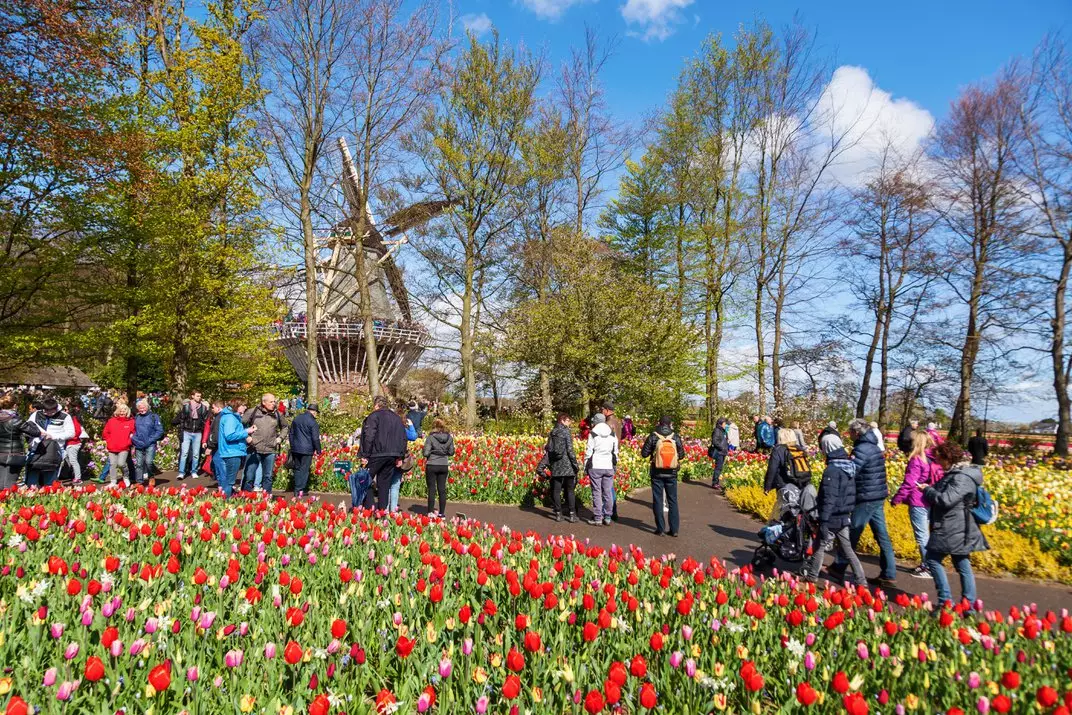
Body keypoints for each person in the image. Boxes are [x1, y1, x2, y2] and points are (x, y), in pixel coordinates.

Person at [829, 418, 897, 587]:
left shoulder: (861, 449)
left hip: (866, 497)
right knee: (882, 534)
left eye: (851, 432)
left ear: (857, 433)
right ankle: (889, 573)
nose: (849, 435)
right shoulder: (874, 446)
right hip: (878, 495)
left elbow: (852, 471)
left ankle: (838, 567)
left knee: (852, 532)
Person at [921, 439, 990, 605]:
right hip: (957, 525)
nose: (937, 462)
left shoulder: (962, 477)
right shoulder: (958, 474)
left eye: (939, 459)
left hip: (953, 525)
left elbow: (946, 500)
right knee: (962, 564)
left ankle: (946, 601)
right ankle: (968, 605)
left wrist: (927, 490)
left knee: (932, 559)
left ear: (948, 458)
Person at [799, 434, 867, 586]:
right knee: (847, 550)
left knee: (818, 546)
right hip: (843, 515)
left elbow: (829, 497)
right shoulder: (848, 466)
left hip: (832, 516)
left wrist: (823, 519)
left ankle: (811, 576)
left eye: (822, 448)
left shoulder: (832, 470)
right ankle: (861, 581)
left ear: (827, 448)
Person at [891, 431, 940, 577]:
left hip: (918, 500)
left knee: (922, 536)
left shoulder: (917, 460)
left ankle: (928, 567)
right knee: (927, 534)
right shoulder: (932, 459)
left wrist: (897, 498)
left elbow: (910, 482)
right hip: (929, 499)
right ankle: (929, 564)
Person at [358, 395, 407, 511]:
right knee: (384, 484)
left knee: (365, 479)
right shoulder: (396, 418)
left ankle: (369, 507)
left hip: (376, 453)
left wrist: (365, 454)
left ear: (376, 405)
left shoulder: (373, 416)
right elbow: (403, 438)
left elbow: (369, 436)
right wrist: (400, 456)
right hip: (392, 455)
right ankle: (382, 511)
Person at [641, 415, 686, 537]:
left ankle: (660, 528)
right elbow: (681, 455)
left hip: (657, 472)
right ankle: (674, 529)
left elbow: (644, 454)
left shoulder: (653, 435)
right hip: (671, 473)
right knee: (672, 500)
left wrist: (653, 453)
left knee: (658, 500)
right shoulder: (675, 436)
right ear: (670, 423)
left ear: (659, 423)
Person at [242, 393, 286, 496]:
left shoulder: (277, 414)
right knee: (249, 475)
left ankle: (267, 499)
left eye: (274, 401)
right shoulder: (252, 412)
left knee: (268, 476)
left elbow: (285, 427)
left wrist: (280, 438)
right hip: (254, 447)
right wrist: (246, 436)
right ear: (263, 402)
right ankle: (245, 497)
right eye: (271, 402)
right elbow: (240, 424)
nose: (273, 404)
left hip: (270, 448)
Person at [763, 428, 811, 523]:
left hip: (784, 484)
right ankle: (797, 531)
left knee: (784, 510)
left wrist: (767, 487)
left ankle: (784, 532)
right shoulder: (799, 449)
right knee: (797, 509)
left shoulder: (778, 449)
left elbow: (772, 469)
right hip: (801, 483)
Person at [26, 397, 74, 488]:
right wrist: (38, 433)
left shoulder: (65, 416)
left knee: (50, 477)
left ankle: (48, 494)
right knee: (33, 474)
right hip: (37, 448)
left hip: (55, 449)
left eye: (51, 411)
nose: (48, 413)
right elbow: (29, 426)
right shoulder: (36, 414)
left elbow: (71, 433)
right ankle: (30, 493)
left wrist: (53, 436)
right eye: (46, 411)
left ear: (56, 409)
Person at [0, 393, 41, 489]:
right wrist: (31, 423)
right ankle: (7, 502)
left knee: (1, 482)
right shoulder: (16, 420)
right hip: (14, 454)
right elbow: (35, 432)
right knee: (9, 484)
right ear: (14, 406)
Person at [215, 398, 256, 497]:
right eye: (244, 405)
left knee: (227, 480)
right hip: (232, 451)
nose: (245, 407)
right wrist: (247, 431)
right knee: (229, 482)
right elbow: (230, 435)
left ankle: (224, 501)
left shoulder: (229, 416)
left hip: (229, 451)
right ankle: (226, 502)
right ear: (237, 406)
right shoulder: (230, 418)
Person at [543, 413, 579, 523]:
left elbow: (548, 448)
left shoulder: (552, 432)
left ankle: (558, 514)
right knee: (570, 490)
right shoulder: (566, 432)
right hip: (567, 464)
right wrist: (575, 464)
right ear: (562, 421)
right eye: (568, 421)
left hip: (556, 465)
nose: (570, 423)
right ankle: (572, 515)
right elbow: (570, 450)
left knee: (556, 490)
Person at [585, 414, 619, 526]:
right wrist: (614, 465)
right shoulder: (612, 433)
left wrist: (586, 465)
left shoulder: (593, 433)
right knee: (608, 492)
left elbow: (589, 451)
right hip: (608, 465)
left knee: (597, 492)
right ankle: (608, 516)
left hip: (596, 465)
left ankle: (598, 517)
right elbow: (615, 452)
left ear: (595, 421)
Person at [287, 404, 322, 497]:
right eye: (316, 413)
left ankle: (296, 489)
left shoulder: (297, 418)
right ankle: (300, 489)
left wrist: (292, 445)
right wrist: (319, 450)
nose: (316, 415)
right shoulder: (313, 422)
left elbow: (291, 433)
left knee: (297, 469)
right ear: (313, 412)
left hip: (295, 448)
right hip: (307, 449)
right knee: (304, 469)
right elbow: (315, 439)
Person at [422, 418, 454, 517]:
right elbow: (451, 452)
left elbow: (426, 453)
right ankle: (441, 513)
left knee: (432, 489)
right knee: (442, 489)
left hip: (432, 464)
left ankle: (430, 512)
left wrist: (431, 452)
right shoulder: (449, 438)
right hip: (444, 464)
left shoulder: (430, 438)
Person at [176, 391, 209, 481]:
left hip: (197, 432)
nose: (199, 397)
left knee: (195, 454)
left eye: (200, 396)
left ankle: (194, 471)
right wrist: (181, 432)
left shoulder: (203, 408)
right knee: (184, 453)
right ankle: (181, 472)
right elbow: (182, 419)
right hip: (187, 431)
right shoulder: (187, 406)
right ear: (192, 396)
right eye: (197, 396)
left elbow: (205, 421)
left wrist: (202, 429)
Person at [101, 403, 136, 487]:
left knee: (121, 463)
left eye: (124, 410)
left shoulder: (131, 421)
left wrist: (129, 441)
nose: (122, 412)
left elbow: (134, 433)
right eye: (120, 410)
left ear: (127, 412)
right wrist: (109, 441)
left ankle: (126, 477)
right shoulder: (111, 421)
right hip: (112, 446)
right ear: (117, 411)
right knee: (112, 464)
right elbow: (105, 433)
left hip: (124, 447)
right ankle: (113, 481)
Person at [131, 399, 163, 487]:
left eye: (143, 407)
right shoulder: (137, 417)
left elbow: (159, 431)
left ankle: (151, 476)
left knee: (149, 462)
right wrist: (134, 439)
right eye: (140, 408)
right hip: (139, 444)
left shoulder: (154, 416)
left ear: (147, 407)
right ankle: (139, 481)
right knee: (139, 464)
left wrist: (151, 440)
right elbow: (134, 430)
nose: (142, 409)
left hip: (150, 443)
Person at [600, 401, 623, 522]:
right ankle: (613, 510)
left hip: (607, 457)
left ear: (607, 410)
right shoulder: (618, 422)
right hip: (615, 455)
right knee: (610, 485)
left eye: (602, 410)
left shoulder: (608, 424)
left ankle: (609, 511)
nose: (601, 412)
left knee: (607, 487)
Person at [63, 409, 88, 485]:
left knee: (73, 461)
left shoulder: (73, 420)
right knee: (67, 460)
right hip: (70, 443)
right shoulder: (71, 420)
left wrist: (68, 437)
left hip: (73, 443)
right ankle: (70, 475)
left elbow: (77, 432)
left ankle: (78, 478)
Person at [201, 401, 225, 477]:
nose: (212, 409)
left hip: (217, 445)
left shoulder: (219, 418)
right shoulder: (220, 416)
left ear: (218, 408)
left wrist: (210, 446)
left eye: (213, 407)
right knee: (219, 465)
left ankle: (223, 486)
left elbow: (215, 433)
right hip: (219, 444)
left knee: (219, 465)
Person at [708, 417, 729, 489]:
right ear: (721, 424)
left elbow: (723, 440)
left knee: (720, 468)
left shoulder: (723, 431)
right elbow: (715, 441)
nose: (725, 424)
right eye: (724, 423)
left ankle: (716, 482)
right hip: (719, 452)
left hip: (723, 452)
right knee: (718, 468)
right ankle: (715, 483)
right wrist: (722, 447)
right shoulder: (717, 430)